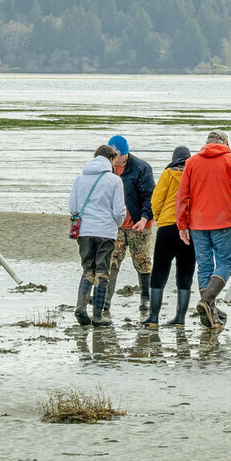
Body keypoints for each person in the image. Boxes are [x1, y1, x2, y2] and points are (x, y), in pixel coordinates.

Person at [176, 130, 231, 329]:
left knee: (205, 266)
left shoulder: (192, 162)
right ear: (224, 142)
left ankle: (210, 316)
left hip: (197, 223)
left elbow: (182, 195)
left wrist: (182, 224)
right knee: (226, 263)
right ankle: (206, 302)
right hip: (223, 220)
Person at [69, 145, 126, 327]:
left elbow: (73, 207)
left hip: (84, 230)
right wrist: (116, 224)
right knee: (103, 271)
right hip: (105, 231)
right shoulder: (114, 180)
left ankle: (81, 307)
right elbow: (118, 211)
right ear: (110, 159)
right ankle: (98, 315)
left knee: (88, 269)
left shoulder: (80, 177)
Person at [142, 146, 195, 327]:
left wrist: (158, 217)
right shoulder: (195, 175)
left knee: (160, 270)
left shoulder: (167, 174)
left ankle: (153, 317)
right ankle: (180, 318)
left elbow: (156, 200)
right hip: (190, 228)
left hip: (167, 227)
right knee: (185, 272)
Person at [103, 135, 155, 316]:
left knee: (142, 261)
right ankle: (106, 301)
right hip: (115, 225)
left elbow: (151, 197)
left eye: (120, 156)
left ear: (126, 153)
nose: (117, 160)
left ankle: (145, 298)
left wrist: (143, 218)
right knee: (112, 261)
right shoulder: (106, 168)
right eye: (114, 156)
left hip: (139, 223)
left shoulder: (142, 168)